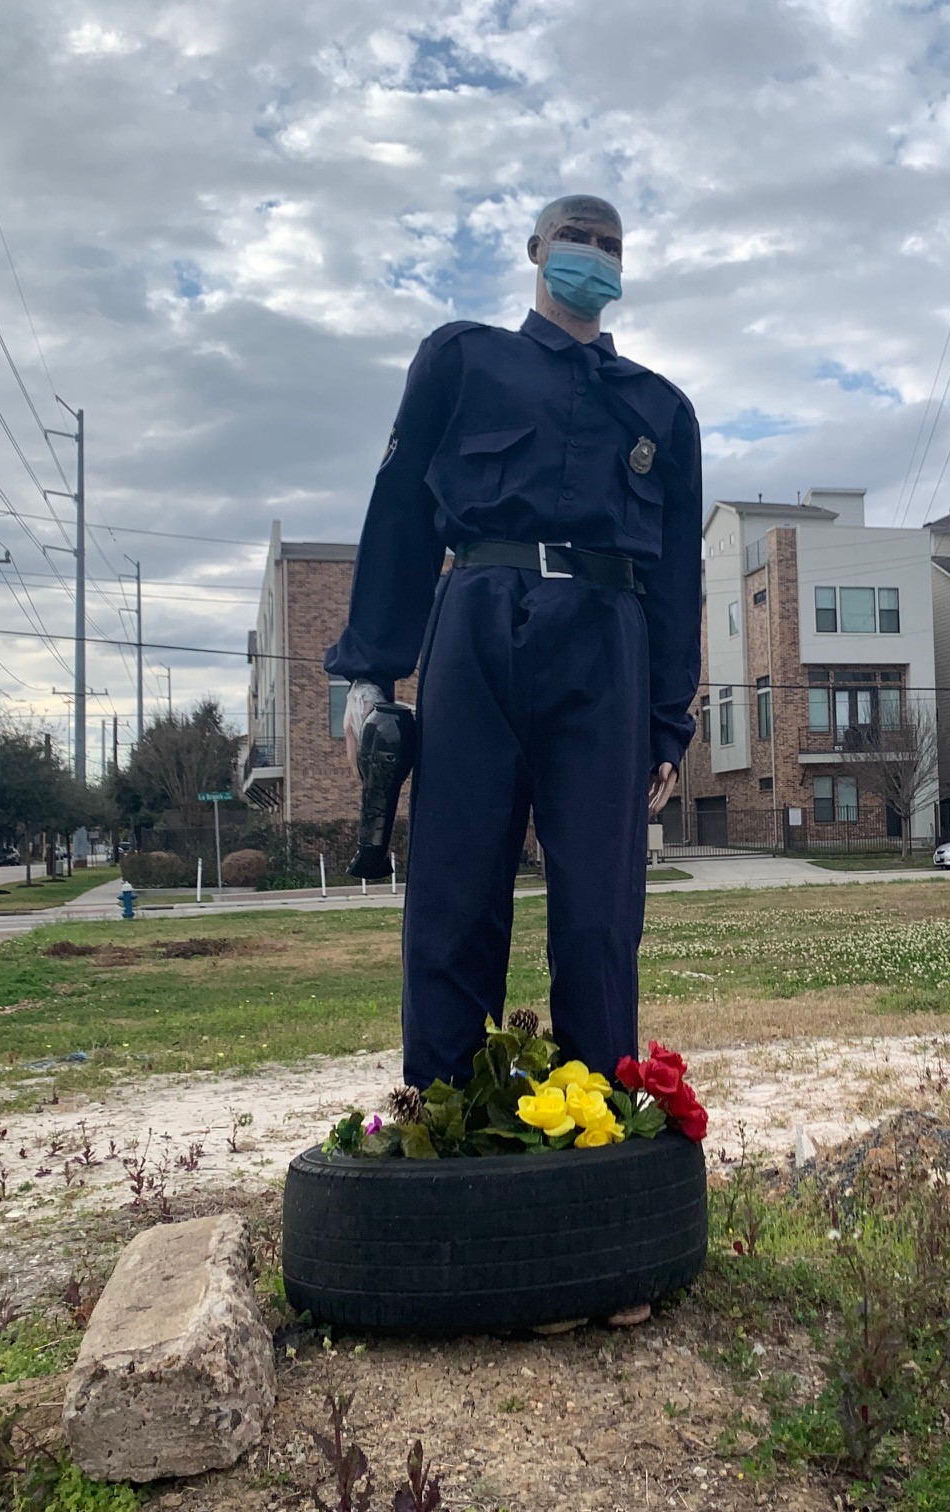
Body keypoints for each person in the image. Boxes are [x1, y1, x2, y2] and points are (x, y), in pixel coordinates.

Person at [325, 193, 701, 1097]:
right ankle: (443, 1107)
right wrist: (370, 676)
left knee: (601, 911)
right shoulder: (463, 359)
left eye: (611, 244)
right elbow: (402, 513)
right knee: (454, 886)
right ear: (537, 248)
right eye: (578, 238)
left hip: (607, 645)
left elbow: (678, 580)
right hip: (478, 624)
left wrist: (666, 723)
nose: (594, 255)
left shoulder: (662, 410)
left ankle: (599, 1111)